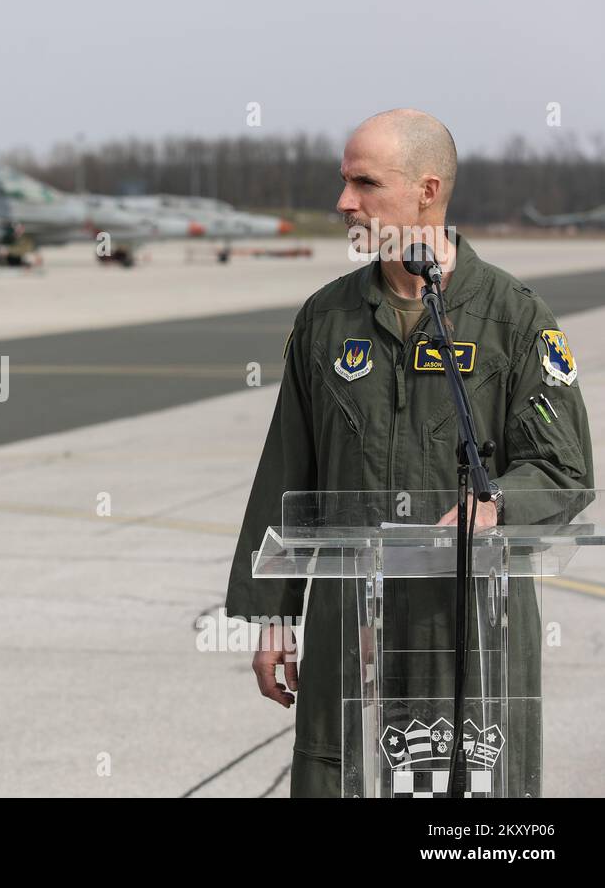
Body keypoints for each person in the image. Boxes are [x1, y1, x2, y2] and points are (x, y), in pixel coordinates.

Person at [226, 108, 594, 797]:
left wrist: (498, 505)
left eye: (364, 183)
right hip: (350, 633)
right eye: (344, 181)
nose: (343, 202)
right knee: (341, 775)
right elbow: (286, 469)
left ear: (427, 191)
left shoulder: (514, 318)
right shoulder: (325, 320)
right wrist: (272, 612)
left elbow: (565, 470)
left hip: (470, 635)